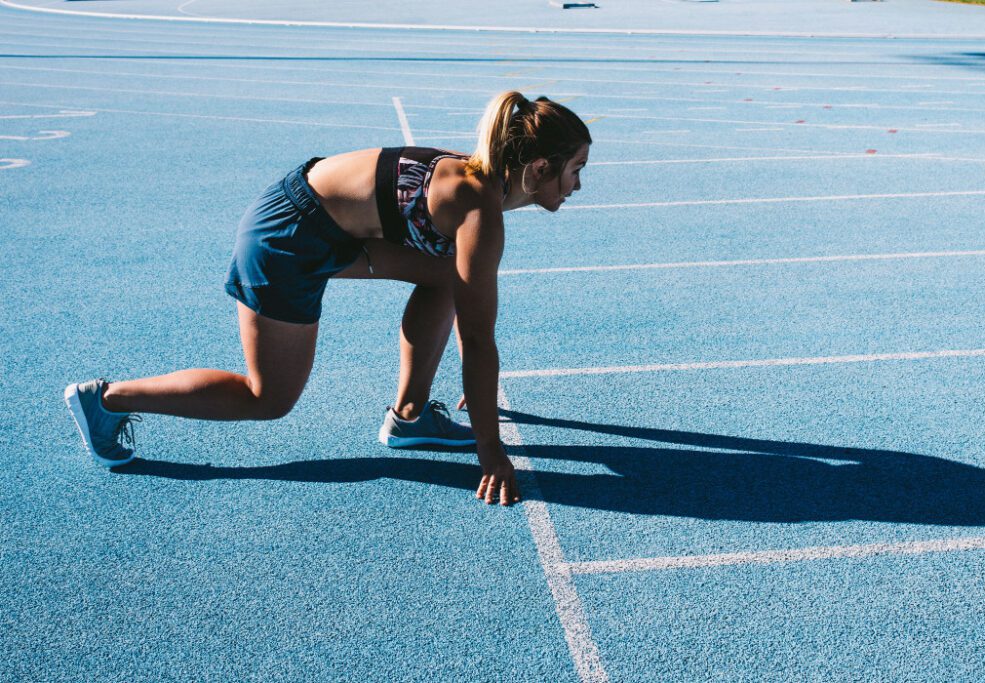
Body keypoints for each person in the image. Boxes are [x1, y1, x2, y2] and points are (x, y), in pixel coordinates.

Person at [64, 90, 591, 507]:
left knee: (444, 276)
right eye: (575, 170)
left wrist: (481, 410)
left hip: (325, 230)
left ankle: (408, 417)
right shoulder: (479, 209)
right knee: (267, 398)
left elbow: (468, 313)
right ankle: (107, 399)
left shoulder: (476, 177)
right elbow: (477, 340)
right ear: (539, 168)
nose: (579, 185)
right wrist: (491, 450)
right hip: (287, 238)